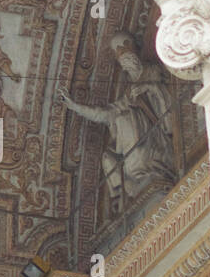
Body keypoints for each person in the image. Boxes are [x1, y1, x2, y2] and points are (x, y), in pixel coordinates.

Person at [58, 33, 175, 201]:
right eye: (123, 62)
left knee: (126, 119)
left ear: (136, 55)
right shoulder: (127, 94)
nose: (127, 64)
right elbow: (105, 113)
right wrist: (75, 106)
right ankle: (129, 182)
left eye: (129, 58)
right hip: (142, 138)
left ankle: (140, 170)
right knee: (114, 140)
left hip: (157, 136)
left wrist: (149, 88)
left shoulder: (153, 71)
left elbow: (167, 97)